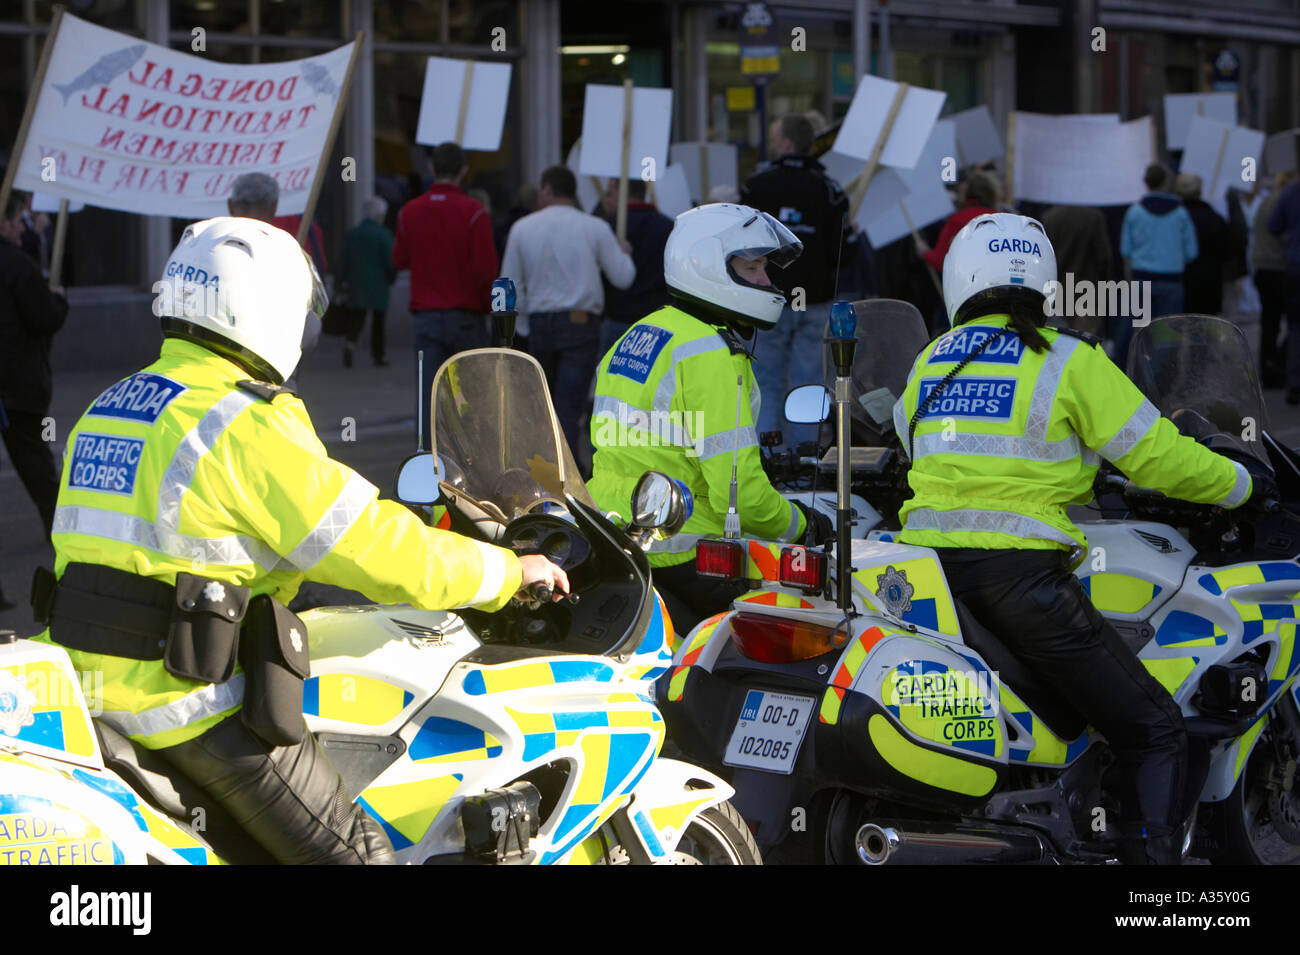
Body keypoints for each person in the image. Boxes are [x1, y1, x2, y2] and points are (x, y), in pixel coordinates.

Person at [34, 217, 569, 864]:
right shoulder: (244, 420)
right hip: (187, 703)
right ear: (266, 312)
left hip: (81, 685)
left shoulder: (111, 403)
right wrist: (508, 572)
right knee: (361, 855)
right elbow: (376, 547)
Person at [893, 212, 1268, 865]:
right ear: (1043, 278)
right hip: (1021, 580)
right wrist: (1240, 484)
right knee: (1154, 728)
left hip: (926, 569)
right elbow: (1156, 456)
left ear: (961, 278)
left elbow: (908, 438)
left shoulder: (932, 359)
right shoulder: (1065, 357)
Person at [588, 203, 832, 632]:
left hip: (617, 538)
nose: (768, 281)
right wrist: (804, 524)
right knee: (815, 620)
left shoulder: (641, 333)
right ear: (708, 266)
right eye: (754, 268)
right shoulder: (711, 353)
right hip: (687, 548)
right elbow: (742, 497)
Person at [499, 165, 635, 454]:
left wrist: (520, 323)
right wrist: (622, 253)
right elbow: (624, 277)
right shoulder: (595, 227)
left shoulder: (523, 228)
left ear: (547, 189)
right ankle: (569, 474)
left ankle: (545, 471)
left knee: (542, 405)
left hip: (539, 323)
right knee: (569, 406)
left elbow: (507, 284)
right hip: (581, 324)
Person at [740, 113, 856, 438]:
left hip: (767, 299)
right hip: (814, 301)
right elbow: (844, 255)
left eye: (776, 138)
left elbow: (740, 245)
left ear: (786, 143)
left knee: (765, 382)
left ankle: (767, 453)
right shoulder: (830, 190)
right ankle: (806, 460)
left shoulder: (757, 185)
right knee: (809, 385)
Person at [392, 142, 499, 446]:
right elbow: (486, 271)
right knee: (473, 395)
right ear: (464, 171)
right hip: (466, 316)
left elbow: (399, 259)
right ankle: (474, 457)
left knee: (429, 394)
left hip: (426, 317)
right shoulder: (474, 212)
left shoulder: (409, 211)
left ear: (431, 168)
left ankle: (428, 458)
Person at [1, 191, 68, 612]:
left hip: (12, 386)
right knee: (36, 462)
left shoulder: (18, 260)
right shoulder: (17, 266)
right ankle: (60, 526)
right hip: (16, 386)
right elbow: (45, 316)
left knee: (35, 459)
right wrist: (57, 297)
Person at [226, 172, 322, 365]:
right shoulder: (286, 252)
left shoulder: (203, 244)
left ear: (230, 205)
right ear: (274, 207)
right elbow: (309, 331)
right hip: (271, 367)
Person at [1119, 164, 1197, 365]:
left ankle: (1121, 371)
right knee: (1166, 337)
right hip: (1172, 281)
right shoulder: (1180, 213)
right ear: (1166, 182)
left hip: (1141, 278)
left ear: (1146, 182)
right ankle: (1160, 380)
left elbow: (1126, 250)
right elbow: (1191, 252)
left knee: (1129, 331)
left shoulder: (1134, 212)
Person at [595, 178, 674, 356]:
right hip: (656, 318)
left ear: (620, 192)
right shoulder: (668, 227)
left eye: (610, 193)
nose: (606, 199)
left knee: (611, 379)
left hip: (618, 317)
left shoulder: (608, 227)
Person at [227, 171, 328, 277]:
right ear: (274, 206)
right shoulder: (301, 230)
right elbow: (316, 274)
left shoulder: (213, 237)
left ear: (230, 205)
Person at [337, 196, 395, 368]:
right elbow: (391, 261)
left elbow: (343, 260)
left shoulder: (354, 233)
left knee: (357, 317)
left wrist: (339, 283)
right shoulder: (384, 235)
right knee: (379, 320)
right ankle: (379, 355)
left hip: (357, 282)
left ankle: (350, 344)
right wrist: (391, 277)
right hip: (378, 283)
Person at [1042, 203, 1112, 337]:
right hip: (1088, 291)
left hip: (1057, 289)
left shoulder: (1050, 217)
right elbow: (1104, 257)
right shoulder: (1094, 217)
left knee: (1056, 342)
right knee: (1085, 342)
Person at [1254, 171, 1295, 388]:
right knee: (1292, 323)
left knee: (1269, 322)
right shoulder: (1285, 202)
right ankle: (1280, 364)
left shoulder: (1266, 201)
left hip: (1263, 267)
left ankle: (1268, 368)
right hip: (1280, 267)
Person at [917, 170, 1002, 274]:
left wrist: (925, 252)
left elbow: (941, 260)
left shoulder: (958, 220)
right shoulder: (1000, 219)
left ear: (966, 192)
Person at [1173, 173, 1230, 316]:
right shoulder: (1213, 217)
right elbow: (1228, 249)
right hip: (1210, 281)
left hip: (1181, 280)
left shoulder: (1172, 218)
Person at [1267, 175, 1300, 404]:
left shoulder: (1291, 191)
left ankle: (1295, 383)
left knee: (1296, 326)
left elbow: (1274, 226)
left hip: (1295, 265)